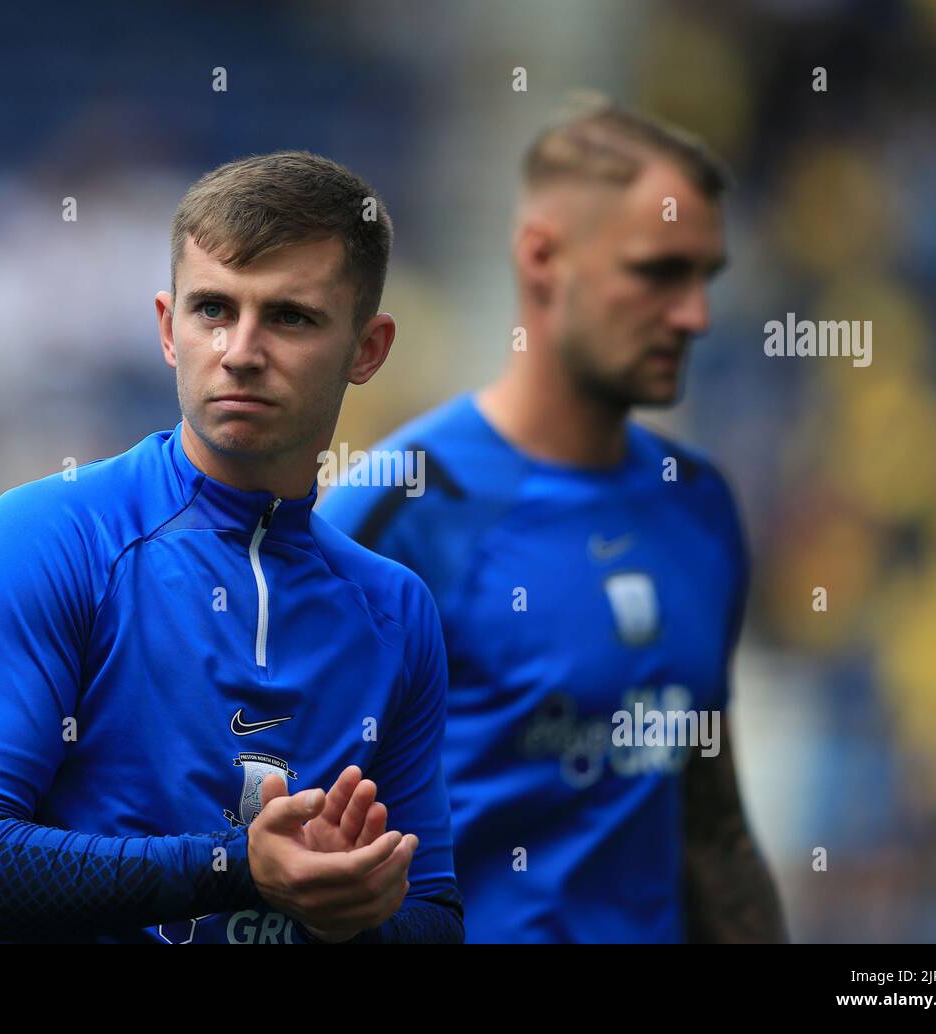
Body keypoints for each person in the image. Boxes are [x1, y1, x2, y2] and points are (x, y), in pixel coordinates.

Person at [0, 150, 463, 944]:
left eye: (290, 317)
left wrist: (353, 911)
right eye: (212, 310)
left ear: (367, 349)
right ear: (168, 328)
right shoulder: (46, 541)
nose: (240, 350)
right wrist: (239, 870)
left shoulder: (397, 612)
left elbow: (434, 915)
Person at [319, 94, 787, 943]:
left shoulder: (701, 505)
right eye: (657, 272)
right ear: (543, 258)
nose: (695, 315)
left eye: (704, 276)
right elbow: (299, 856)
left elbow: (713, 830)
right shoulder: (397, 510)